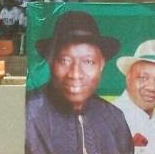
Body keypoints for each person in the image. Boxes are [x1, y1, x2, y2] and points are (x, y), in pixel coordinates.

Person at [25, 11, 133, 154]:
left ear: (101, 64)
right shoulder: (27, 113)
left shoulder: (114, 118)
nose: (75, 74)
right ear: (51, 62)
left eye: (88, 61)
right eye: (65, 60)